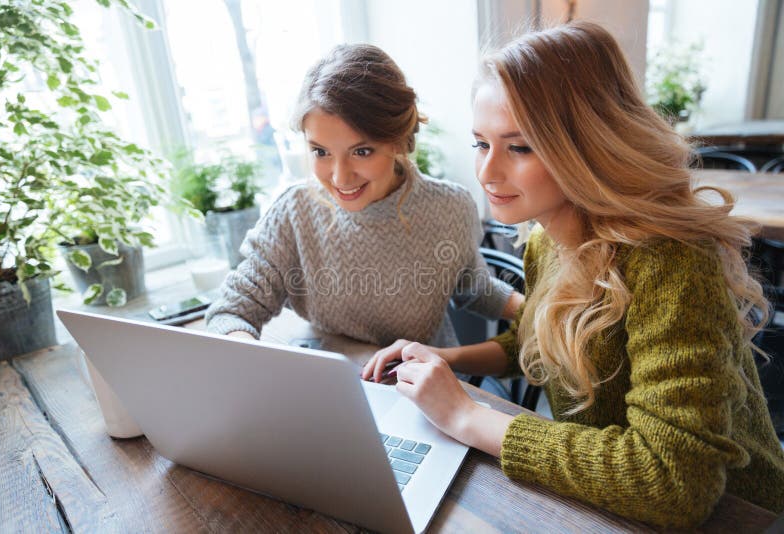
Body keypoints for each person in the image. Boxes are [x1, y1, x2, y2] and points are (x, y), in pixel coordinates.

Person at [362, 21, 784, 528]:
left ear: (586, 145)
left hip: (742, 516)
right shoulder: (546, 240)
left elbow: (673, 481)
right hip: (611, 507)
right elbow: (536, 341)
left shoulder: (671, 260)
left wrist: (468, 417)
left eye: (519, 147)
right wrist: (446, 360)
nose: (487, 172)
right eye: (481, 143)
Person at [206, 43, 520, 348]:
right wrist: (251, 355)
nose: (340, 177)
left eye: (362, 151)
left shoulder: (450, 207)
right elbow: (230, 312)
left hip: (417, 387)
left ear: (398, 140)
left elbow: (472, 288)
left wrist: (546, 313)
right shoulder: (294, 210)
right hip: (331, 383)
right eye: (321, 151)